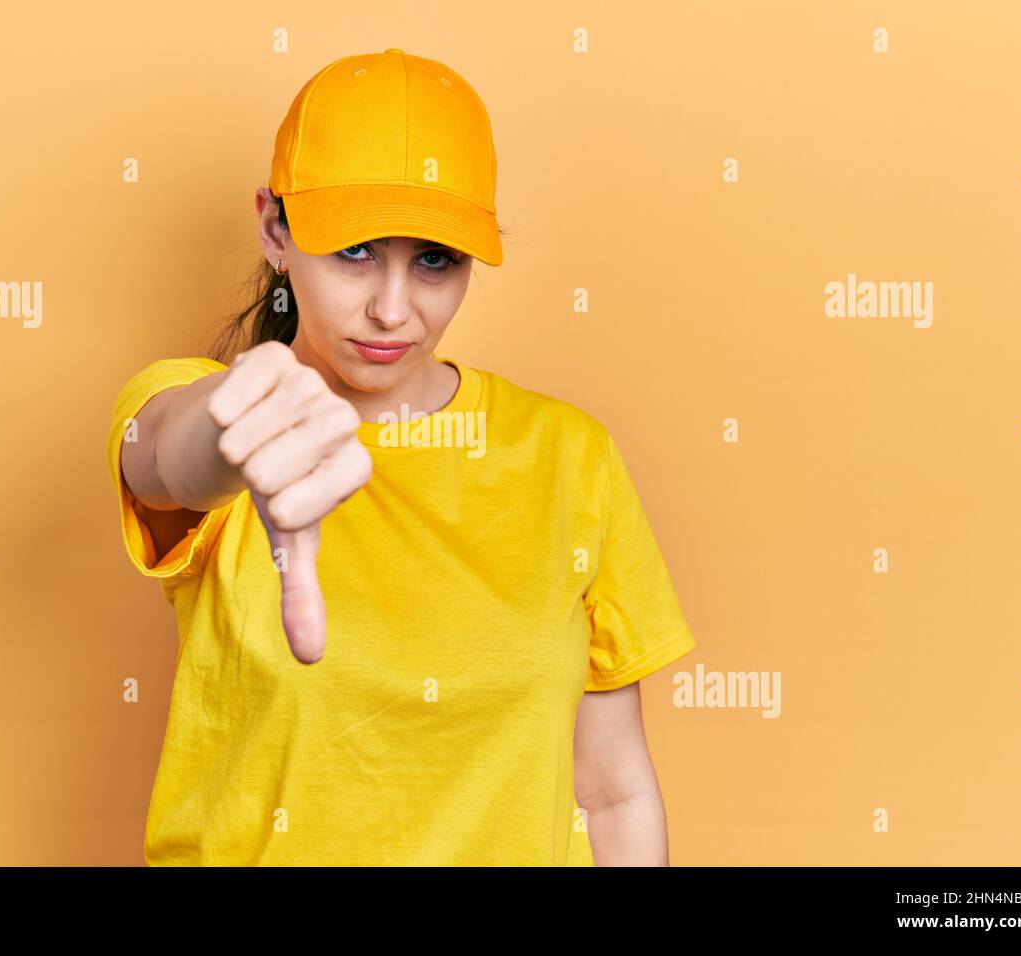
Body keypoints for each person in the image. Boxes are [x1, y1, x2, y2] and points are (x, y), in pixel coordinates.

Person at [105, 49, 697, 866]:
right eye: (354, 252)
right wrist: (238, 427)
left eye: (434, 261)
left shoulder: (571, 458)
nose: (391, 310)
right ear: (276, 231)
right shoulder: (212, 411)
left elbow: (612, 789)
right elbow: (167, 459)